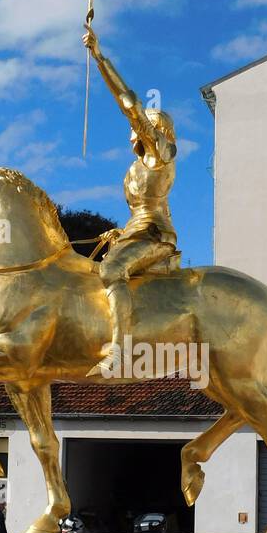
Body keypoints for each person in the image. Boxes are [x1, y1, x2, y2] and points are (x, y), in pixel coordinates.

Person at [82, 23, 180, 372]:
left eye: (142, 125)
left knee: (111, 269)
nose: (134, 130)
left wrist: (99, 57)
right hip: (137, 231)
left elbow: (130, 103)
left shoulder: (159, 154)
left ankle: (120, 351)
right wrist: (120, 234)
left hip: (155, 234)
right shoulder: (135, 168)